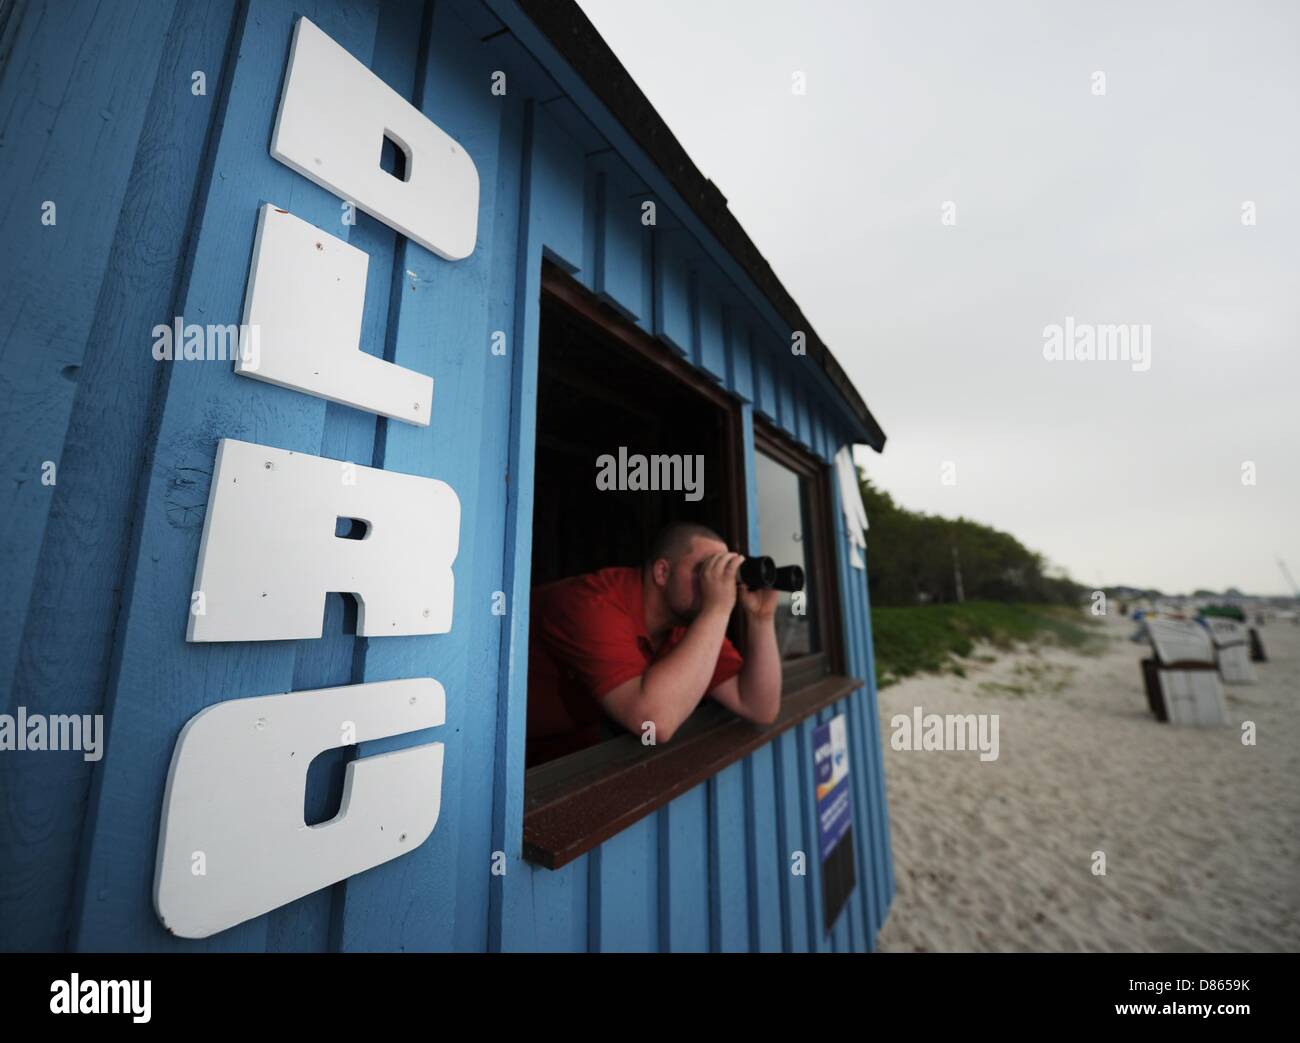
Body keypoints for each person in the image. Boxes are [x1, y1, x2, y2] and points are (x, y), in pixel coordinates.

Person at [526, 522, 783, 766]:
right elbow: (653, 723)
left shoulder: (685, 625)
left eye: (725, 570)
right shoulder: (591, 604)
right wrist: (717, 609)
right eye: (707, 569)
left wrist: (761, 618)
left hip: (565, 752)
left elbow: (759, 706)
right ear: (662, 572)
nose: (717, 581)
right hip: (509, 754)